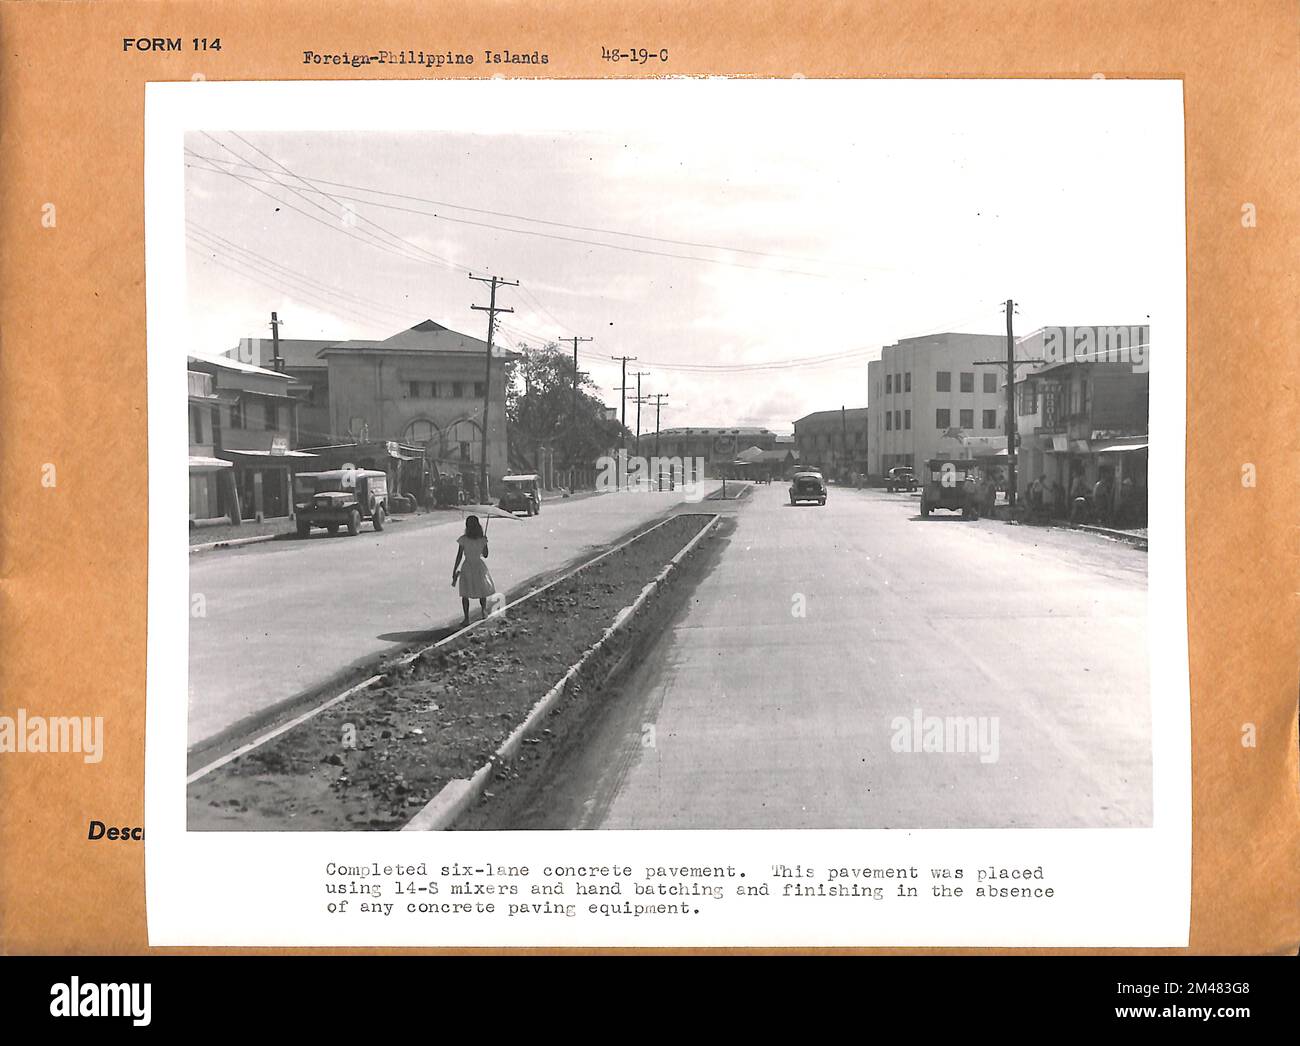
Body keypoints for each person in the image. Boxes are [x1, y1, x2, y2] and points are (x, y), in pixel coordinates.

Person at [452, 515, 496, 625]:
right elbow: (485, 555)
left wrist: (455, 569)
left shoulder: (464, 539)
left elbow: (459, 556)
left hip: (467, 566)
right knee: (481, 590)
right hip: (479, 566)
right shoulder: (481, 540)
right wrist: (484, 543)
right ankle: (483, 610)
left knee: (465, 592)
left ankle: (466, 618)